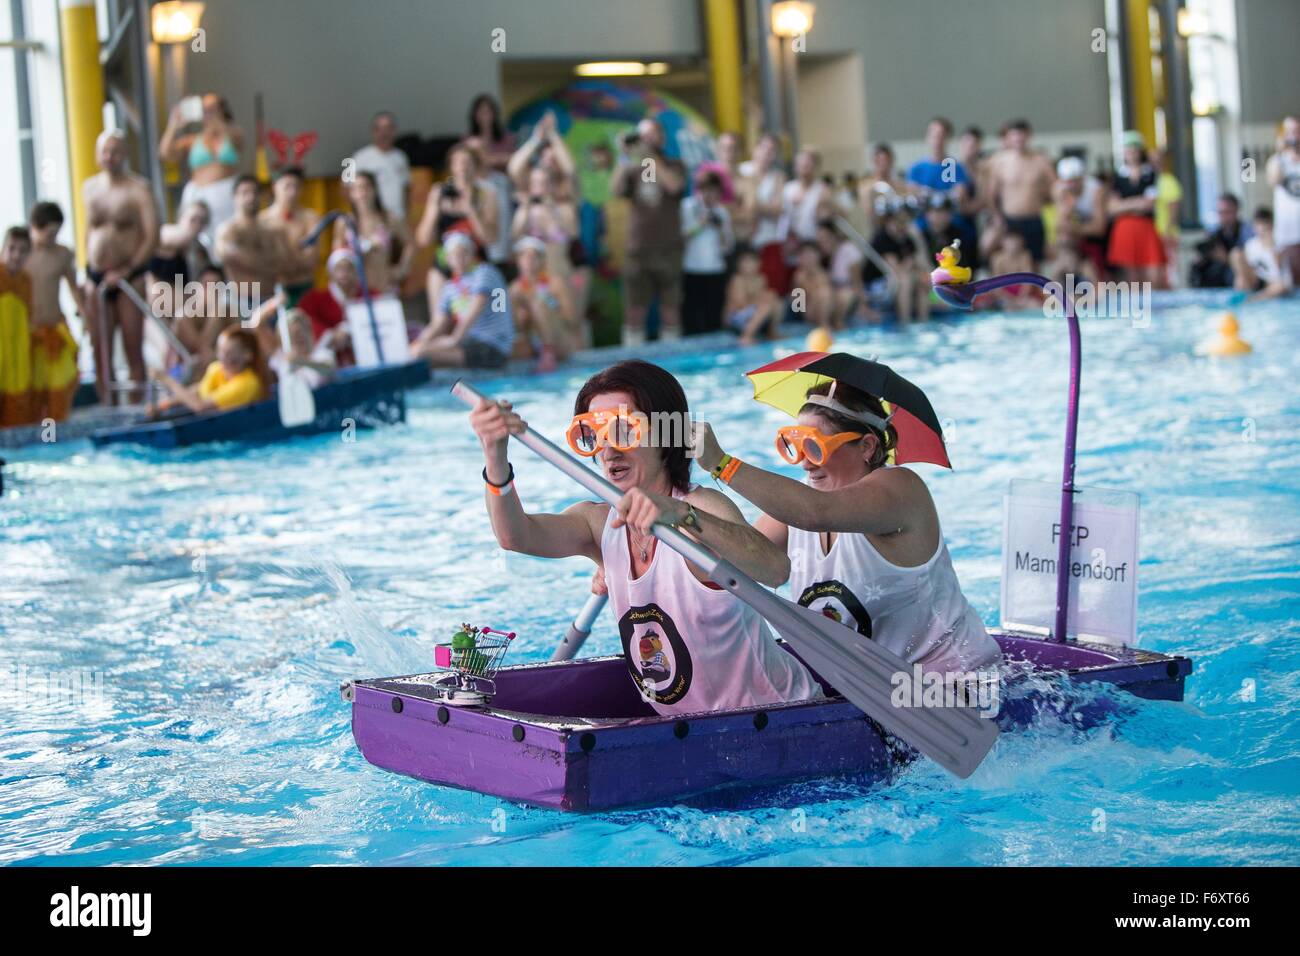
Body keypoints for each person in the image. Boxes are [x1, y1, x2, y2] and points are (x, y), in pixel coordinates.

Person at [467, 359, 823, 714]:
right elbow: (516, 535)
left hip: (783, 716)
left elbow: (776, 569)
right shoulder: (598, 522)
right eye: (592, 434)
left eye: (623, 431)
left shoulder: (699, 506)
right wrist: (495, 456)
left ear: (667, 437)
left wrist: (683, 517)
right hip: (691, 733)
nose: (609, 450)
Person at [692, 379, 1000, 676]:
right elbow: (739, 558)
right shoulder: (795, 505)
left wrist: (723, 463)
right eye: (794, 446)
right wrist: (678, 501)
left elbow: (815, 512)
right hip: (876, 691)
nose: (805, 464)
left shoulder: (902, 490)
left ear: (867, 446)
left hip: (958, 686)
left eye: (814, 447)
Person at [81, 129, 159, 404]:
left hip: (129, 276)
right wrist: (87, 270)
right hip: (97, 276)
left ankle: (138, 409)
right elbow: (89, 232)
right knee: (99, 349)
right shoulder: (89, 188)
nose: (109, 157)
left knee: (132, 347)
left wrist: (128, 268)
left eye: (115, 151)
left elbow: (152, 235)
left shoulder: (138, 188)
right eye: (104, 151)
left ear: (124, 154)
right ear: (97, 155)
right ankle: (108, 408)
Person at [611, 118, 687, 345]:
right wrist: (623, 156)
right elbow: (615, 190)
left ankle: (672, 361)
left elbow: (674, 186)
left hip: (668, 249)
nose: (647, 139)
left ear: (662, 138)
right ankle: (632, 362)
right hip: (638, 250)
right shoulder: (632, 168)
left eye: (652, 134)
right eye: (643, 135)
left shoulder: (674, 164)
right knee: (634, 311)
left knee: (670, 309)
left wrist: (649, 156)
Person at [416, 143, 500, 316]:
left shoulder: (486, 194)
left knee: (477, 321)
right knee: (440, 318)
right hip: (445, 264)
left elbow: (491, 238)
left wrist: (471, 210)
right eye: (458, 162)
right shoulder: (440, 192)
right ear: (451, 166)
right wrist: (434, 208)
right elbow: (422, 239)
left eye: (467, 161)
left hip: (475, 265)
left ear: (475, 165)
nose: (462, 166)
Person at [412, 232, 514, 368]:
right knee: (417, 351)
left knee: (421, 353)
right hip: (470, 343)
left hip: (492, 345)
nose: (459, 259)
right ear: (448, 259)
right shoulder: (449, 287)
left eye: (463, 253)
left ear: (472, 255)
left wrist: (454, 340)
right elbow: (438, 323)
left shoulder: (485, 272)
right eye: (454, 255)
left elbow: (475, 308)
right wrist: (418, 342)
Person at [24, 204, 84, 422]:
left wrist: (83, 314)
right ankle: (38, 435)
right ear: (35, 227)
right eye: (49, 233)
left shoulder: (62, 254)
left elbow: (74, 288)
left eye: (56, 233)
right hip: (29, 332)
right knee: (33, 390)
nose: (53, 238)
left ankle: (53, 435)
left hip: (54, 328)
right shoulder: (21, 253)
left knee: (59, 389)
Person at [159, 93, 243, 245]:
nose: (207, 112)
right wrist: (173, 125)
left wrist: (216, 119)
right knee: (194, 240)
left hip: (226, 194)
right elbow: (166, 153)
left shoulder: (233, 134)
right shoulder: (194, 139)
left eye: (212, 108)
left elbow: (235, 141)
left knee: (229, 240)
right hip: (198, 195)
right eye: (204, 108)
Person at [149, 326, 270, 415]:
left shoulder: (248, 383)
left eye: (229, 353)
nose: (223, 358)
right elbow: (198, 390)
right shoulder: (216, 369)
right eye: (221, 352)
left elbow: (200, 406)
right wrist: (162, 406)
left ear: (247, 355)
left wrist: (168, 381)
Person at [984, 119, 1055, 269]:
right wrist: (996, 217)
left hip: (1034, 218)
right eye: (1014, 135)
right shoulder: (999, 161)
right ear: (1008, 138)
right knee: (1004, 260)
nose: (1018, 139)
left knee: (1035, 263)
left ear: (1029, 136)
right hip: (1010, 220)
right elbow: (990, 194)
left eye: (1021, 135)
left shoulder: (1041, 161)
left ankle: (1035, 292)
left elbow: (1055, 189)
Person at [906, 117, 976, 254]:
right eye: (934, 135)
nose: (937, 140)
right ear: (927, 137)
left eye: (941, 136)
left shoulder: (953, 167)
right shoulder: (917, 169)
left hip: (953, 227)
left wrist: (930, 196)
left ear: (947, 138)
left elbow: (960, 196)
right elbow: (913, 196)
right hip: (923, 227)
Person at [215, 175, 287, 305]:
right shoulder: (227, 230)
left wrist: (248, 261)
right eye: (245, 192)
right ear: (235, 197)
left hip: (270, 297)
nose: (251, 197)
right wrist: (266, 264)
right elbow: (226, 255)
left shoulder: (272, 229)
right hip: (241, 300)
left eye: (255, 192)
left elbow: (283, 263)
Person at [335, 170, 410, 296]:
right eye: (357, 188)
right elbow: (337, 256)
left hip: (383, 284)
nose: (362, 193)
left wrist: (401, 269)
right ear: (351, 193)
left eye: (366, 186)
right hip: (356, 290)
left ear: (374, 189)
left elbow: (410, 244)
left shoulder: (388, 219)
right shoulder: (344, 222)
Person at [680, 170, 734, 336]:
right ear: (699, 190)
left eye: (715, 191)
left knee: (713, 316)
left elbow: (728, 247)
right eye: (707, 190)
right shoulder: (687, 206)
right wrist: (700, 224)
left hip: (715, 270)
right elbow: (681, 237)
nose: (711, 195)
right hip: (693, 269)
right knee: (692, 316)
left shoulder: (722, 212)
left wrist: (719, 230)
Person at [508, 236, 575, 370]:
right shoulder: (514, 289)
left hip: (557, 339)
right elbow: (513, 326)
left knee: (538, 304)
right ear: (518, 261)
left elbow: (570, 319)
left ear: (542, 260)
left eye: (534, 256)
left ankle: (548, 351)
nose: (529, 261)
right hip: (530, 339)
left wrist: (547, 308)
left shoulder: (555, 283)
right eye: (524, 256)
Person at [735, 132, 789, 295]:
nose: (767, 153)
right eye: (764, 148)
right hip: (743, 238)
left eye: (772, 150)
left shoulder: (777, 177)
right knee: (744, 290)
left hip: (767, 239)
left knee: (770, 289)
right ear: (755, 149)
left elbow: (777, 210)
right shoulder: (741, 170)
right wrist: (763, 206)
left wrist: (751, 202)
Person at [1106, 132, 1165, 284]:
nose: (1131, 153)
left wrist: (1125, 205)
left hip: (1146, 227)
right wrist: (1136, 202)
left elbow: (1148, 203)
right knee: (1131, 279)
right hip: (1125, 229)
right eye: (1128, 150)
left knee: (1153, 277)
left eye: (1134, 149)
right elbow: (1112, 207)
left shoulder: (1150, 174)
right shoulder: (1118, 176)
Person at [259, 167, 321, 306]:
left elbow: (311, 261)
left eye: (297, 187)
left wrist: (282, 255)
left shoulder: (310, 218)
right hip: (272, 290)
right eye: (287, 186)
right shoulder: (262, 221)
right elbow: (262, 263)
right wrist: (296, 251)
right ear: (275, 187)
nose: (292, 192)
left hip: (304, 287)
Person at [0, 227, 34, 426]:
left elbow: (28, 316)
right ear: (3, 248)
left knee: (16, 402)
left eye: (23, 251)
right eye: (11, 249)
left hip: (16, 354)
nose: (16, 255)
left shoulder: (26, 281)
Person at [352, 111, 410, 223]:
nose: (384, 133)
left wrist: (407, 216)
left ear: (394, 131)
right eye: (379, 129)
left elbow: (406, 189)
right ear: (373, 131)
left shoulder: (401, 157)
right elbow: (345, 188)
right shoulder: (358, 157)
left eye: (388, 128)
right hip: (373, 221)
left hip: (398, 219)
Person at [782, 148, 834, 259]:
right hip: (792, 244)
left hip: (814, 244)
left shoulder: (823, 190)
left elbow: (826, 219)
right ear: (796, 166)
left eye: (809, 162)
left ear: (815, 166)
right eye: (802, 162)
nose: (805, 165)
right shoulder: (788, 189)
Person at [1266, 115, 1300, 282]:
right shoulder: (1277, 160)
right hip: (1287, 231)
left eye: (1297, 131)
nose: (1294, 137)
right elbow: (1273, 180)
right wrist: (1281, 153)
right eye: (1290, 132)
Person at [723, 246, 781, 345]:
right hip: (734, 319)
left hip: (751, 316)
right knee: (766, 305)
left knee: (775, 299)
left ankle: (771, 332)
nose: (748, 265)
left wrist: (765, 299)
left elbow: (762, 298)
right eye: (745, 262)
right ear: (738, 265)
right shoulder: (737, 280)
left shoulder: (761, 279)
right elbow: (740, 304)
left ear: (758, 263)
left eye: (751, 262)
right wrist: (760, 301)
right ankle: (746, 337)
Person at [1232, 207, 1292, 300]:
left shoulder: (1279, 243)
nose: (1263, 227)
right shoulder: (1251, 245)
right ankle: (1246, 295)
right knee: (1236, 254)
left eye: (1265, 223)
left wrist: (1271, 247)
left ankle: (1255, 298)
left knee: (1280, 286)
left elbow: (1279, 272)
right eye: (1259, 223)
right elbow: (1248, 267)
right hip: (1257, 280)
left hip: (1274, 281)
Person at [268, 308, 336, 389]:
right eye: (293, 335)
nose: (300, 337)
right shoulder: (280, 358)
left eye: (302, 331)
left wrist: (301, 360)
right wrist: (274, 303)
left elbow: (328, 368)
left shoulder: (322, 353)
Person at [1190, 193, 1248, 288]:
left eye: (1226, 212)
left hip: (1236, 276)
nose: (1223, 217)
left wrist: (1226, 259)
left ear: (1236, 211)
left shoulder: (1246, 232)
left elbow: (1250, 264)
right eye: (1220, 213)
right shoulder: (1214, 233)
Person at [1151, 148, 1183, 289]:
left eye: (1158, 160)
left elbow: (1174, 209)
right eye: (1152, 161)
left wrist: (1168, 232)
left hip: (1166, 234)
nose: (1155, 164)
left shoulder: (1168, 181)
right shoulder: (1152, 181)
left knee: (1168, 273)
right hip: (1154, 235)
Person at [788, 240, 833, 329]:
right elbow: (797, 304)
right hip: (806, 311)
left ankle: (831, 323)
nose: (808, 258)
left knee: (830, 293)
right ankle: (824, 324)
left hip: (824, 308)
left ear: (818, 256)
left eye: (811, 254)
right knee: (823, 292)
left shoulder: (823, 273)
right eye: (805, 255)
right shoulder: (799, 275)